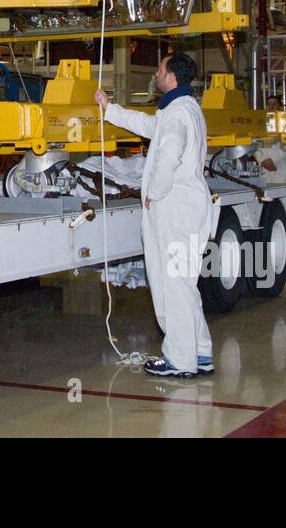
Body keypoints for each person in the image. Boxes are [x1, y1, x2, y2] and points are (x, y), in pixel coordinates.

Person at [94, 51, 216, 378]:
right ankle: (200, 352)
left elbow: (168, 158)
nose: (156, 72)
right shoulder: (181, 109)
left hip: (174, 208)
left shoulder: (177, 114)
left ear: (171, 75)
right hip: (185, 208)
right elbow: (149, 127)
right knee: (185, 285)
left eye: (160, 67)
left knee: (172, 284)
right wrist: (111, 109)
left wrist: (153, 194)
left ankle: (180, 360)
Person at [255, 94, 286, 184]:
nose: (271, 106)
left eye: (274, 104)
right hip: (263, 167)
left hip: (280, 166)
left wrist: (273, 160)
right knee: (264, 195)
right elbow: (254, 145)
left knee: (282, 194)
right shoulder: (259, 125)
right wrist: (262, 161)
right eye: (269, 104)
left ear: (280, 107)